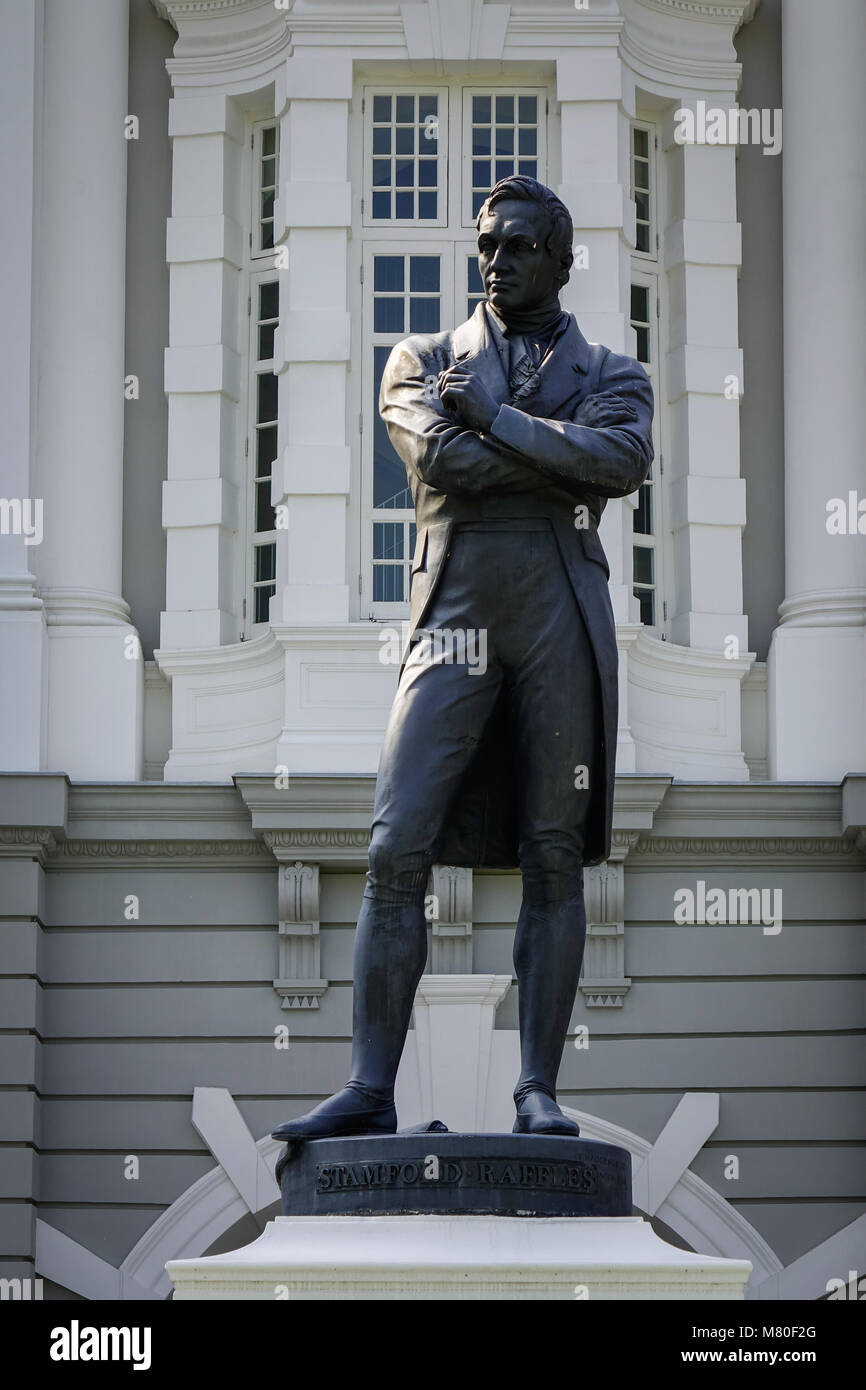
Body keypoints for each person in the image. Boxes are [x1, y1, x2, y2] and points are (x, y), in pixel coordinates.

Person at [272, 176, 653, 1142]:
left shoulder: (614, 371)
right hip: (452, 616)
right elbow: (440, 463)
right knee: (394, 842)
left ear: (560, 258)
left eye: (519, 245)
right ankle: (370, 1086)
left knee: (554, 854)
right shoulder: (423, 359)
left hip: (561, 613)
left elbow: (619, 463)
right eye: (487, 244)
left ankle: (537, 1089)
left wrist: (494, 419)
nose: (497, 260)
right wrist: (546, 454)